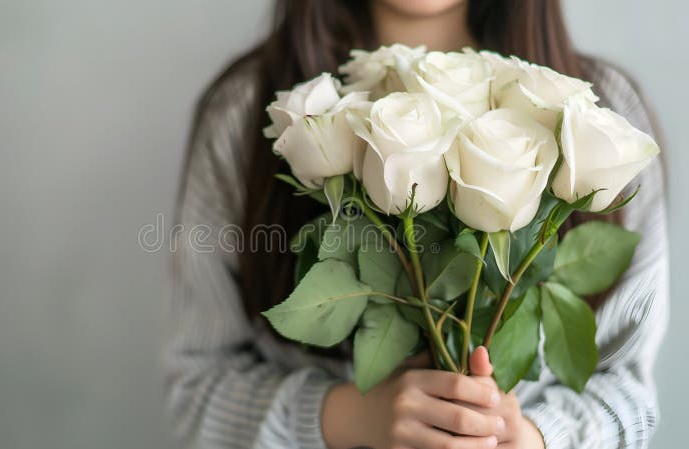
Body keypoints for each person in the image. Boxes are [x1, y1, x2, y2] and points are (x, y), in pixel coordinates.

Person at [166, 1, 669, 448]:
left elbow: (630, 392)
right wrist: (346, 418)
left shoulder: (606, 117)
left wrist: (536, 438)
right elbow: (196, 390)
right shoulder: (247, 116)